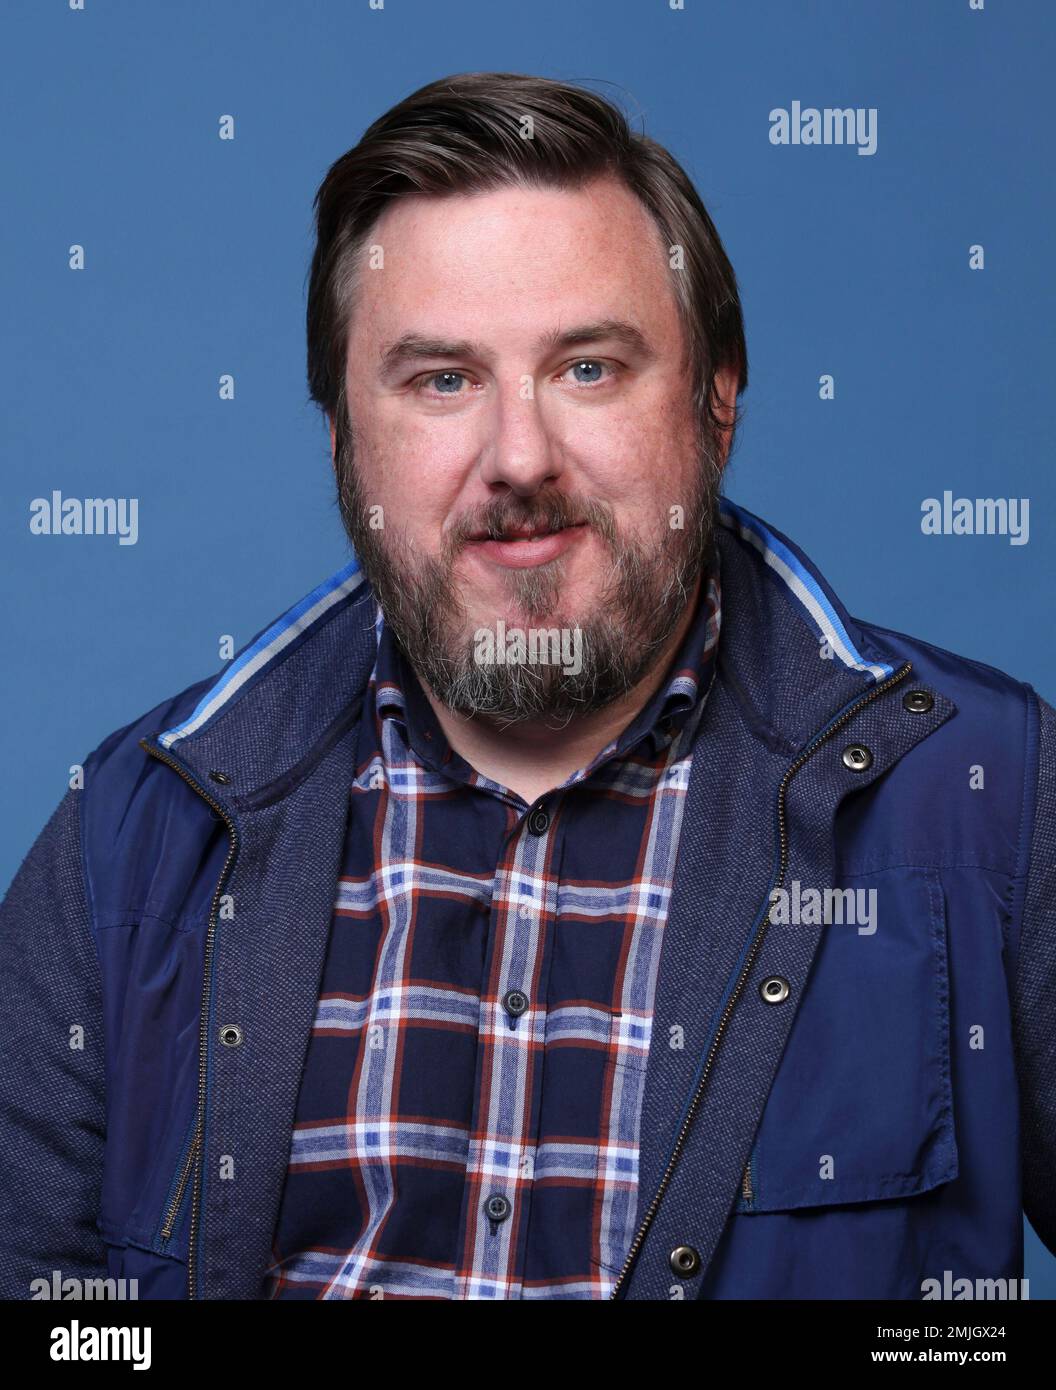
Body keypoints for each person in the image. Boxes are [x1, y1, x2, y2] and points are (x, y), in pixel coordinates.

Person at [1, 71, 1053, 1302]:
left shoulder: (990, 801)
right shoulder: (134, 837)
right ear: (344, 439)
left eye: (589, 368)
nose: (519, 458)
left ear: (718, 401)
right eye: (441, 379)